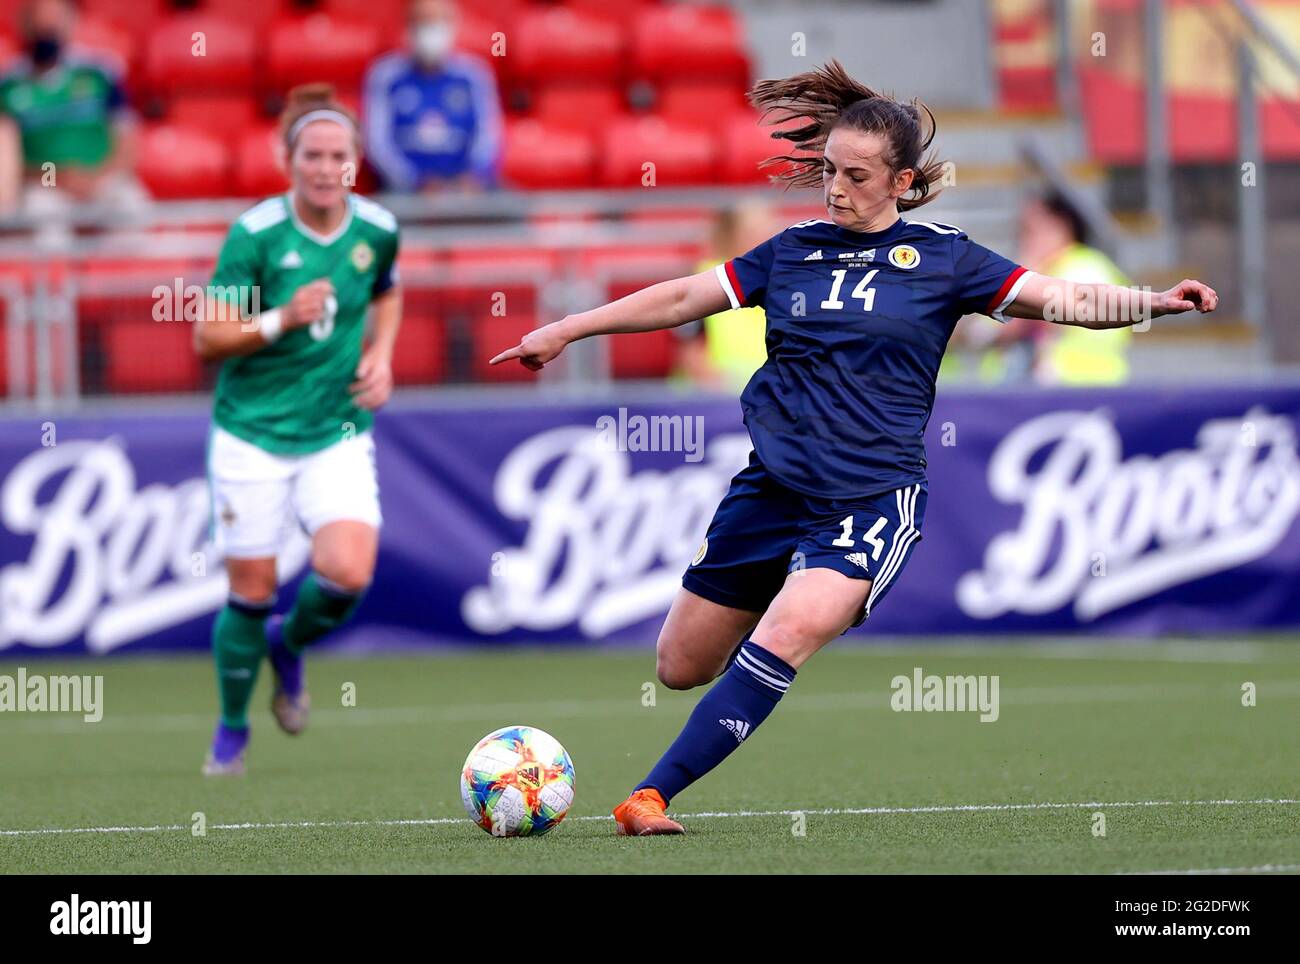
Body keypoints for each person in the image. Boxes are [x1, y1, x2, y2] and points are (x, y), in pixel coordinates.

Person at [490, 61, 1217, 835]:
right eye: (830, 170)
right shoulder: (790, 251)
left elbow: (1063, 297)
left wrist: (1151, 302)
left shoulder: (945, 258)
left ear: (901, 182)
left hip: (870, 497)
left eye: (857, 176)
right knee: (680, 665)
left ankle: (650, 796)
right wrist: (566, 328)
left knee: (787, 632)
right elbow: (680, 297)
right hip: (772, 488)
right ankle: (771, 630)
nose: (835, 188)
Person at [193, 85, 403, 776]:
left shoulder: (378, 228)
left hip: (335, 428)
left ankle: (287, 646)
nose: (325, 167)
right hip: (251, 432)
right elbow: (209, 336)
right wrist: (281, 317)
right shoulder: (255, 235)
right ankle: (231, 728)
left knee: (348, 571)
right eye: (312, 155)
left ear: (356, 161)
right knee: (251, 590)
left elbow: (387, 291)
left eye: (338, 155)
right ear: (288, 160)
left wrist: (381, 355)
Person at [0, 0, 146, 244]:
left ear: (71, 21)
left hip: (102, 179)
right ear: (24, 25)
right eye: (39, 22)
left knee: (132, 206)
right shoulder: (8, 86)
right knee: (40, 215)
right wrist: (59, 178)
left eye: (53, 21)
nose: (45, 29)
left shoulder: (100, 74)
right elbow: (7, 161)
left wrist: (95, 177)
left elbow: (127, 140)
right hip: (45, 186)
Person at [362, 0, 503, 193]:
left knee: (515, 202)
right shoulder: (385, 75)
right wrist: (415, 181)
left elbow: (488, 137)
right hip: (405, 191)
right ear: (407, 27)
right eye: (422, 22)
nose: (429, 30)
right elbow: (378, 145)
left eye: (436, 21)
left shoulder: (474, 75)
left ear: (453, 24)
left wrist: (473, 176)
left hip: (467, 188)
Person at [675, 202, 772, 391]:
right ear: (729, 235)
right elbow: (692, 358)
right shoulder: (701, 281)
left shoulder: (777, 282)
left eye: (768, 233)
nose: (764, 241)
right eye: (752, 233)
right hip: (712, 401)